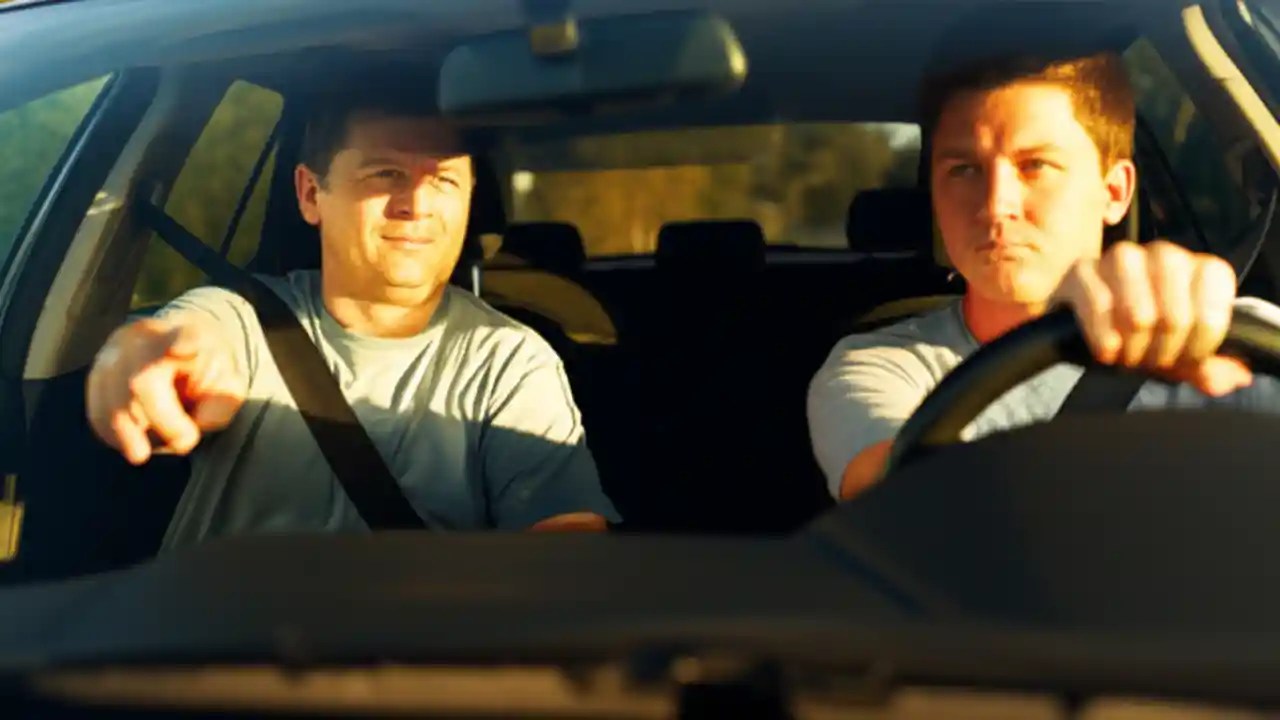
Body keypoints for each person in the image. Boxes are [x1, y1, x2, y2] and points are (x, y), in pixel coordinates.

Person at [85, 91, 619, 545]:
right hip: (210, 655)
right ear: (311, 193)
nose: (416, 204)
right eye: (385, 173)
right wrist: (132, 358)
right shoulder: (244, 318)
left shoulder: (509, 361)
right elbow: (183, 341)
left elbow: (567, 554)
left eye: (445, 181)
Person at [808, 51, 1280, 501]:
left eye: (1035, 166)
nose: (996, 205)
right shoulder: (881, 368)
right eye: (964, 169)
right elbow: (906, 503)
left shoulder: (1243, 339)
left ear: (1114, 191)